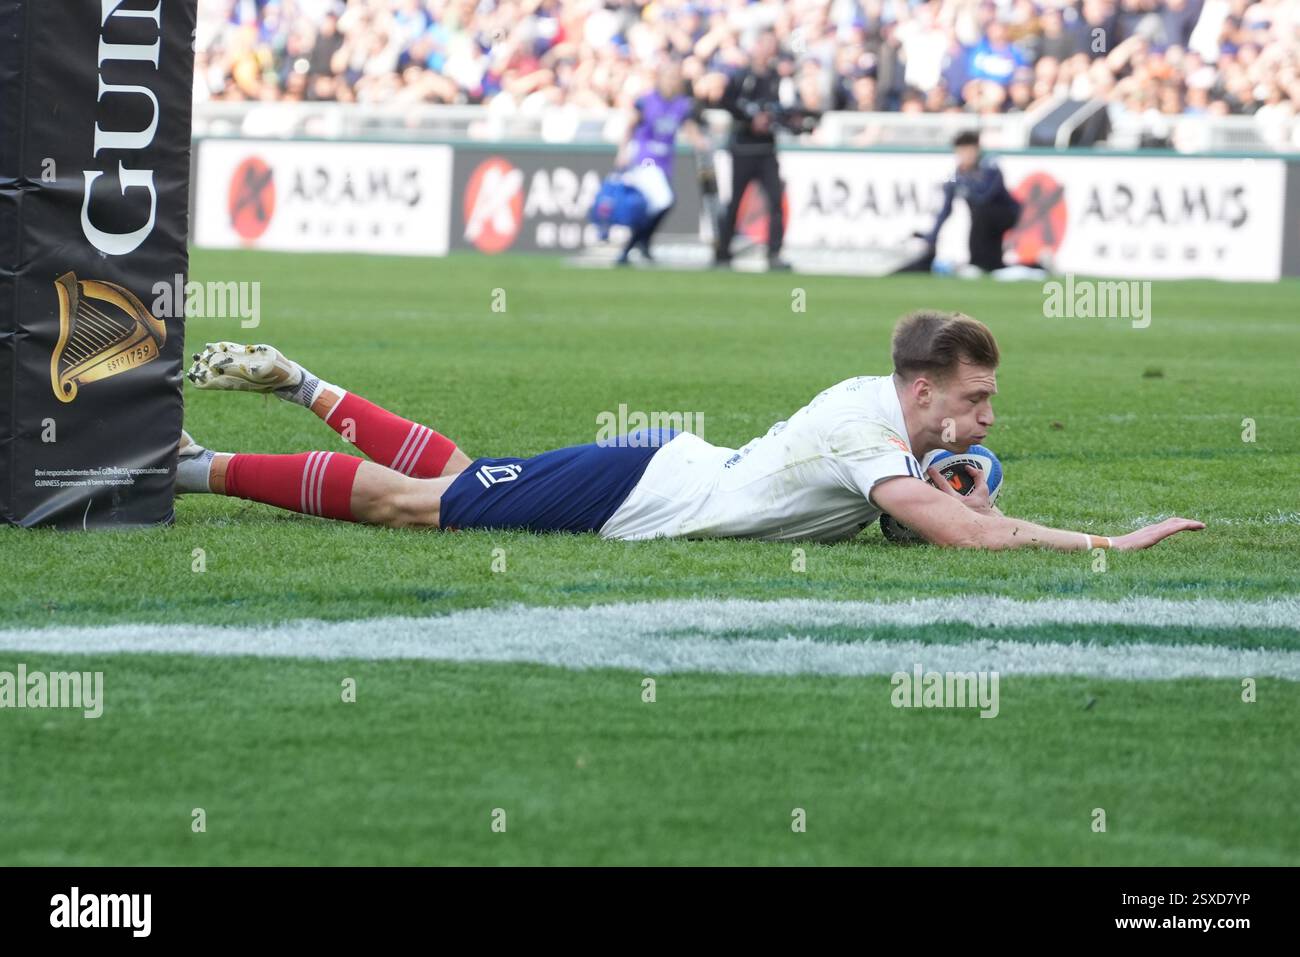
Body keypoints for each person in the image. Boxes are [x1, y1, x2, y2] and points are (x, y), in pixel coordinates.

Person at [178, 315, 1203, 552]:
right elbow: (964, 539)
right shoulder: (866, 428)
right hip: (646, 492)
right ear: (926, 389)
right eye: (974, 401)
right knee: (425, 502)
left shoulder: (884, 420)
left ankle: (304, 385)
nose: (985, 419)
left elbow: (914, 523)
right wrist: (1104, 544)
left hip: (667, 464)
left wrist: (954, 485)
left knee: (465, 475)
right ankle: (194, 467)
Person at [614, 62, 709, 265]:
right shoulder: (646, 101)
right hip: (645, 159)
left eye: (675, 77)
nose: (672, 82)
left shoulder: (682, 104)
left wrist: (700, 142)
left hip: (665, 161)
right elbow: (630, 125)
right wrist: (623, 150)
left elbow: (689, 127)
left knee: (654, 206)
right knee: (664, 200)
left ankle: (640, 245)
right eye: (668, 77)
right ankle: (633, 246)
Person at [712, 31, 791, 271]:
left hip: (767, 149)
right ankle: (723, 251)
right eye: (765, 45)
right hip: (744, 149)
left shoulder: (776, 78)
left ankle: (774, 253)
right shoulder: (741, 76)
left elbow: (781, 110)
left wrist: (776, 119)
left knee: (775, 201)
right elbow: (725, 101)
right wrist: (750, 119)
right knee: (735, 201)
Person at [924, 131, 1023, 273]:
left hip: (1006, 214)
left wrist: (964, 182)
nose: (966, 156)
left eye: (969, 151)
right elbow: (946, 209)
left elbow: (984, 196)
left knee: (981, 215)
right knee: (994, 262)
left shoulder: (990, 168)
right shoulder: (956, 175)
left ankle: (976, 263)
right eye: (962, 152)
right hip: (984, 220)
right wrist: (932, 236)